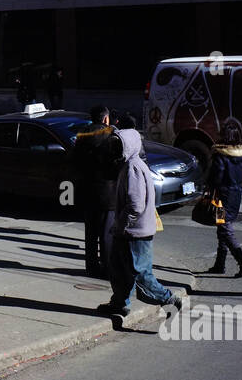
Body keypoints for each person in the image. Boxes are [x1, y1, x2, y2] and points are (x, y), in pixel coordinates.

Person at [102, 121, 182, 321]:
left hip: (134, 233)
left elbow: (135, 205)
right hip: (129, 231)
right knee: (119, 269)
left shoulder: (133, 168)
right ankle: (119, 304)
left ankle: (169, 299)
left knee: (141, 274)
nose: (114, 149)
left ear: (127, 147)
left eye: (118, 145)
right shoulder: (130, 164)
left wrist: (121, 223)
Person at [72, 105, 122, 277]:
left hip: (87, 190)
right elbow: (117, 163)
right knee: (107, 234)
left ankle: (91, 267)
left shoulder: (82, 135)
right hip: (107, 192)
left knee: (90, 233)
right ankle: (108, 267)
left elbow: (75, 161)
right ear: (106, 119)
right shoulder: (112, 135)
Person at [206, 122, 242, 277]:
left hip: (221, 199)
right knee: (222, 229)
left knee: (225, 230)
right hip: (235, 196)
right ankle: (220, 264)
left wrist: (208, 187)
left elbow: (216, 178)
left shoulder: (221, 156)